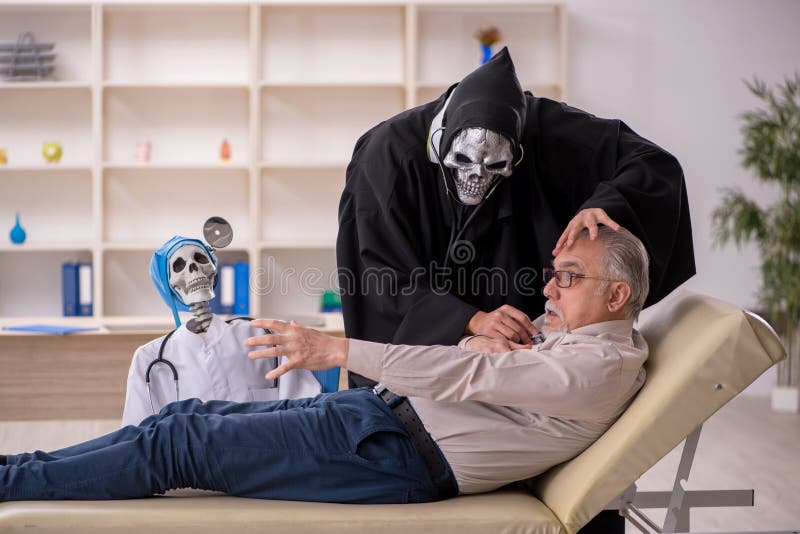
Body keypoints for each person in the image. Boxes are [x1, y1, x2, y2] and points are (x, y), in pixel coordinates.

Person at [0, 226, 648, 506]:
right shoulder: (567, 339)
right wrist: (484, 346)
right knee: (182, 418)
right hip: (378, 420)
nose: (549, 290)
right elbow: (477, 362)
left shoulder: (598, 365)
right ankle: (15, 470)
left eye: (569, 278)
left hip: (391, 453)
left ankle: (13, 483)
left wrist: (335, 349)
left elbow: (467, 374)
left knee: (180, 443)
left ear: (617, 295)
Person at [337, 47, 694, 391]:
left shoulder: (552, 131)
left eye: (495, 166)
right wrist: (469, 321)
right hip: (425, 347)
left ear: (518, 152)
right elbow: (377, 271)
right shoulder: (386, 155)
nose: (477, 178)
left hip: (521, 352)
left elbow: (655, 166)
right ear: (439, 143)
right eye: (463, 161)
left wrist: (606, 205)